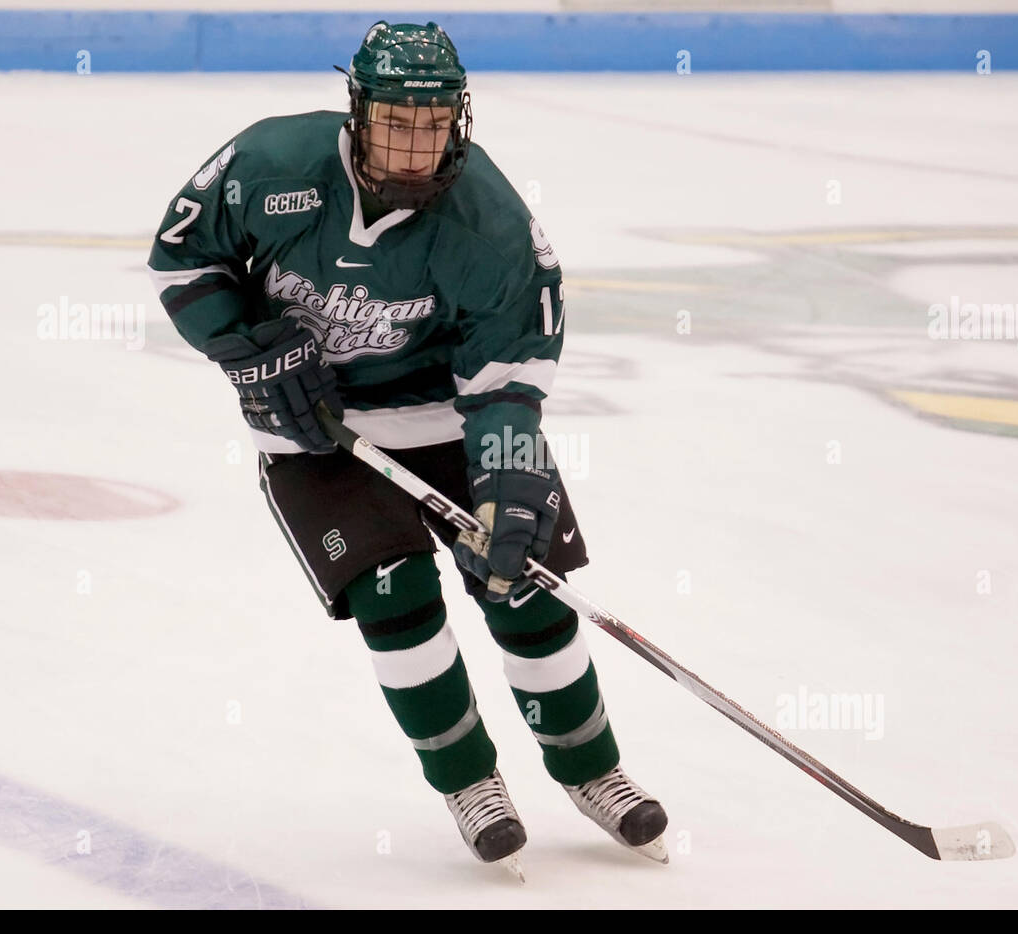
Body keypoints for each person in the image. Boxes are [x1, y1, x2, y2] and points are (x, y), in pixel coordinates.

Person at [147, 20, 667, 875]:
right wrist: (251, 348)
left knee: (525, 586)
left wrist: (507, 474)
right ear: (357, 109)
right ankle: (469, 781)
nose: (416, 145)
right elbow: (183, 260)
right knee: (396, 600)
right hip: (311, 429)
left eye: (433, 124)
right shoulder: (271, 164)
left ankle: (593, 769)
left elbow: (505, 380)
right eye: (396, 119)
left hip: (449, 420)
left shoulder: (490, 224)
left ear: (457, 119)